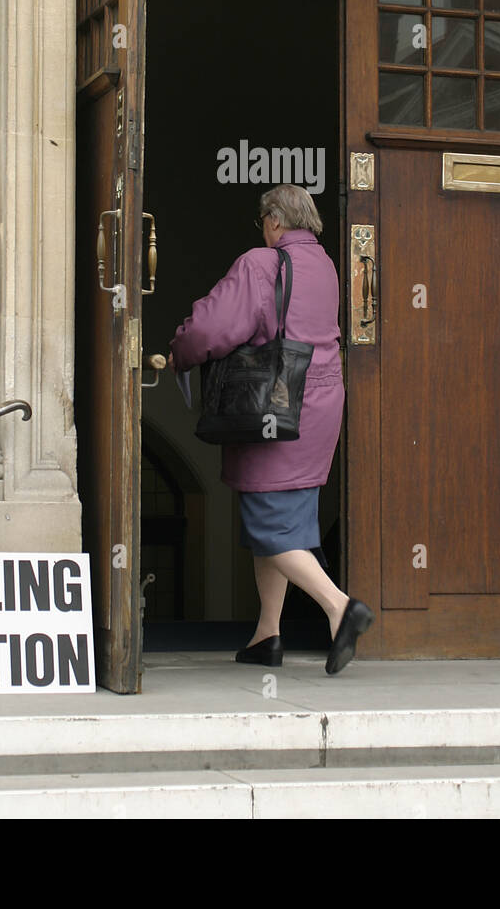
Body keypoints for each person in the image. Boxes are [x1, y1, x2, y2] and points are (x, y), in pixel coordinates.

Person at [168, 184, 374, 674]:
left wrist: (179, 349)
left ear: (275, 221)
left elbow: (213, 329)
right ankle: (268, 633)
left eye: (263, 219)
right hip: (321, 402)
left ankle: (340, 607)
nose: (262, 228)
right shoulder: (325, 265)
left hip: (275, 404)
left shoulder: (262, 263)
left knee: (269, 519)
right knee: (289, 517)